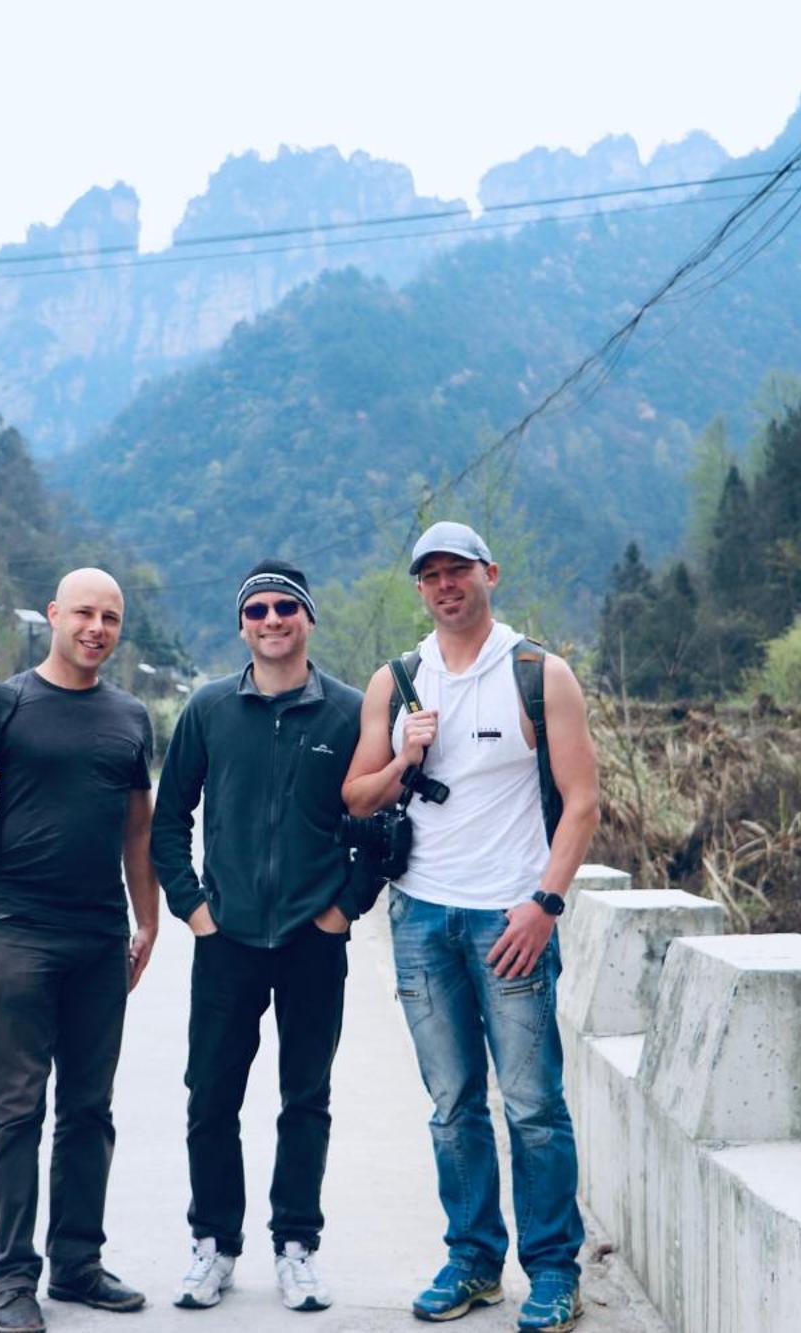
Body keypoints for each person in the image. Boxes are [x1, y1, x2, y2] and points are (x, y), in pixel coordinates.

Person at [341, 523, 602, 1333]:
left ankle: (555, 1271)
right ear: (420, 588)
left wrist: (543, 903)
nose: (447, 585)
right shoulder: (399, 680)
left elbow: (583, 801)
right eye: (432, 576)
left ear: (490, 573)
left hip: (508, 916)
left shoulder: (539, 673)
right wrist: (404, 759)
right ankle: (473, 1260)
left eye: (460, 571)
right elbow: (357, 796)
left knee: (531, 1104)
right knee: (452, 1103)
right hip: (421, 917)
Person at [0, 567, 160, 1333]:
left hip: (99, 935)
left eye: (112, 617)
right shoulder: (5, 703)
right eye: (85, 612)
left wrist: (147, 920)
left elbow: (136, 829)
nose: (97, 627)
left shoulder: (130, 717)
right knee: (18, 1105)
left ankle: (78, 1262)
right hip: (17, 929)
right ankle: (12, 1276)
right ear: (54, 615)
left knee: (90, 1108)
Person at [151, 559, 376, 1314]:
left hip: (315, 939)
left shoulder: (347, 712)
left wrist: (346, 906)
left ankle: (297, 1245)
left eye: (286, 607)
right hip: (229, 940)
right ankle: (214, 1244)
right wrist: (194, 910)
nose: (272, 619)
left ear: (308, 618)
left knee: (304, 1097)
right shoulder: (210, 709)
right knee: (210, 1097)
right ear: (241, 623)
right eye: (257, 609)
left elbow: (378, 822)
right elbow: (168, 817)